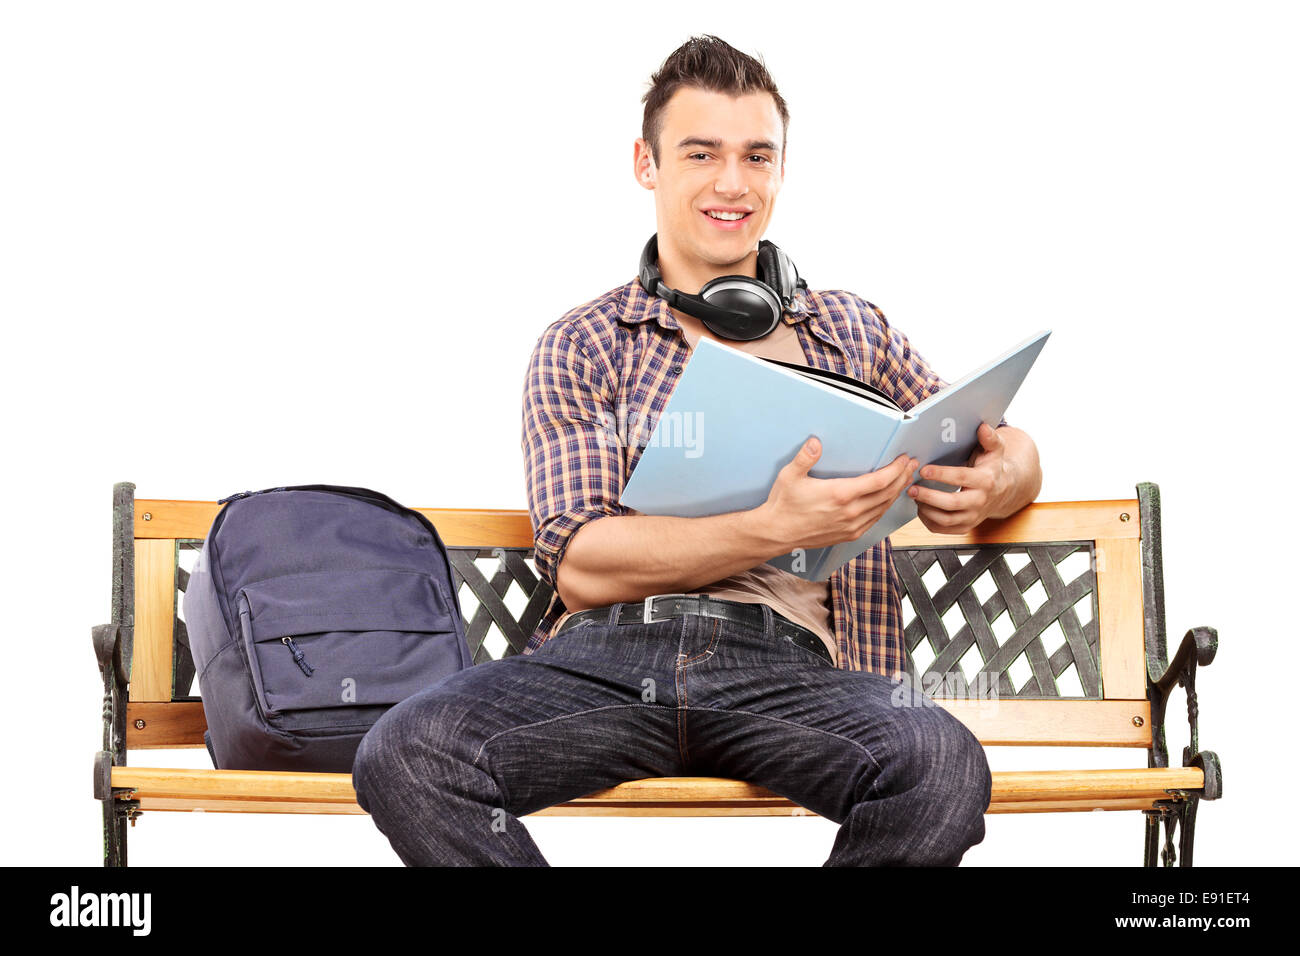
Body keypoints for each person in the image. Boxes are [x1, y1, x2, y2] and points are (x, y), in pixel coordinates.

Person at [353, 35, 1043, 866]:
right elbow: (581, 563)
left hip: (789, 675)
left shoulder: (853, 331)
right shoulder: (584, 343)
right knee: (409, 754)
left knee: (937, 762)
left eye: (758, 156)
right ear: (646, 164)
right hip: (604, 662)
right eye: (701, 153)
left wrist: (1004, 477)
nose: (733, 183)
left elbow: (993, 442)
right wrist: (770, 524)